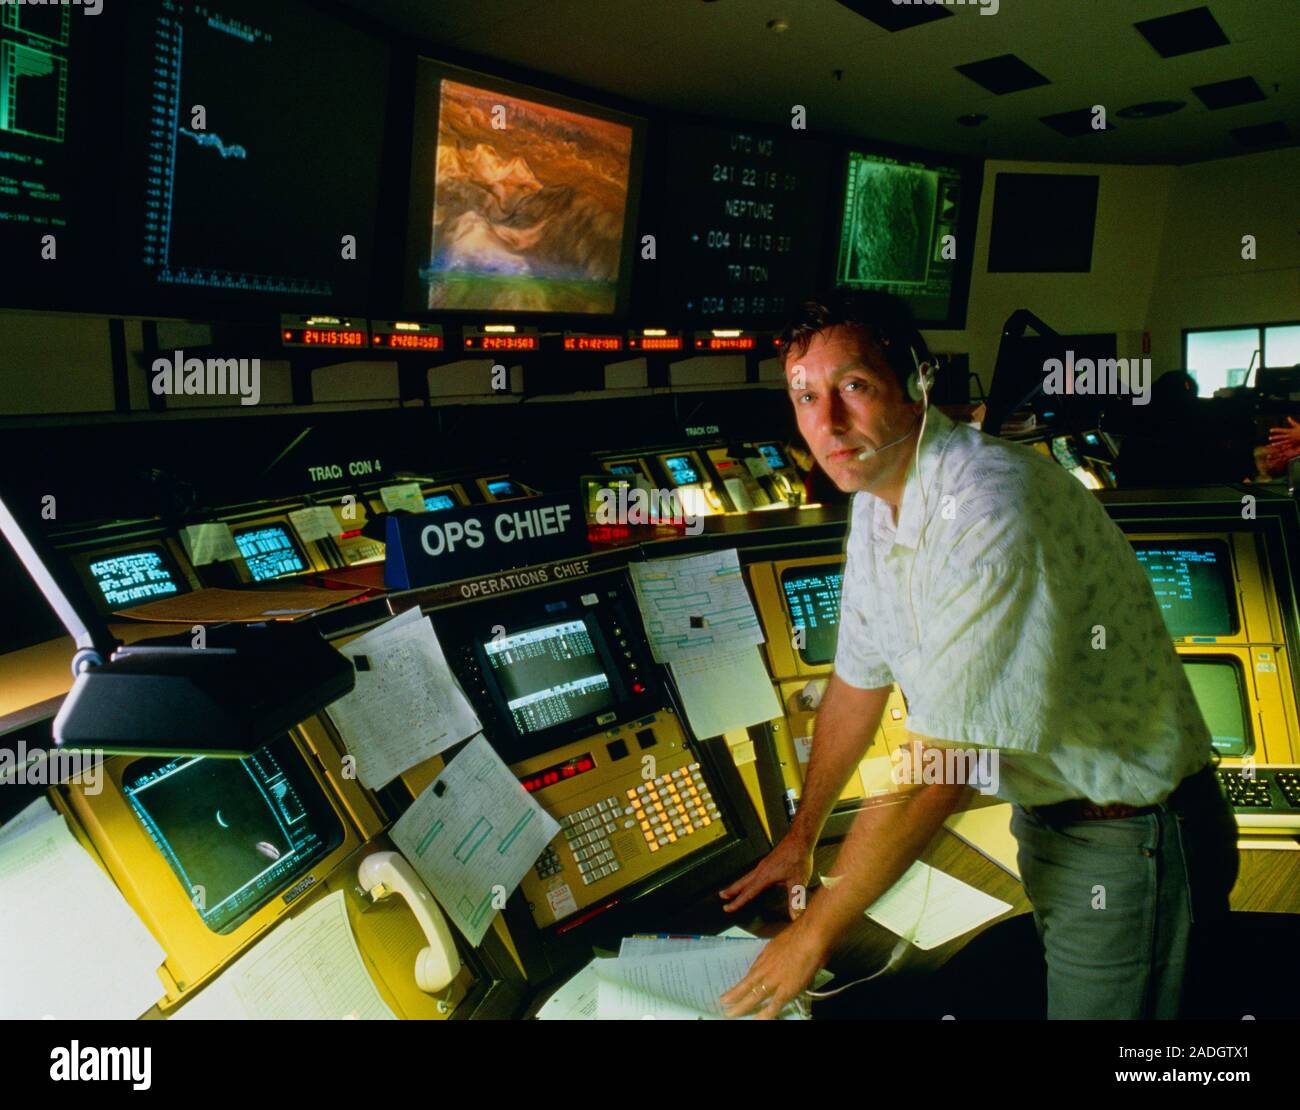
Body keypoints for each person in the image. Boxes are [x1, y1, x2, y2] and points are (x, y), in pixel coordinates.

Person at [718, 292, 1238, 1020]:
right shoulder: (877, 494)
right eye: (806, 397)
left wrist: (815, 933)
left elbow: (946, 768)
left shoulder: (990, 508)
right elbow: (856, 679)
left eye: (854, 387)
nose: (826, 422)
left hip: (1132, 834)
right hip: (1052, 819)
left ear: (916, 384)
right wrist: (803, 837)